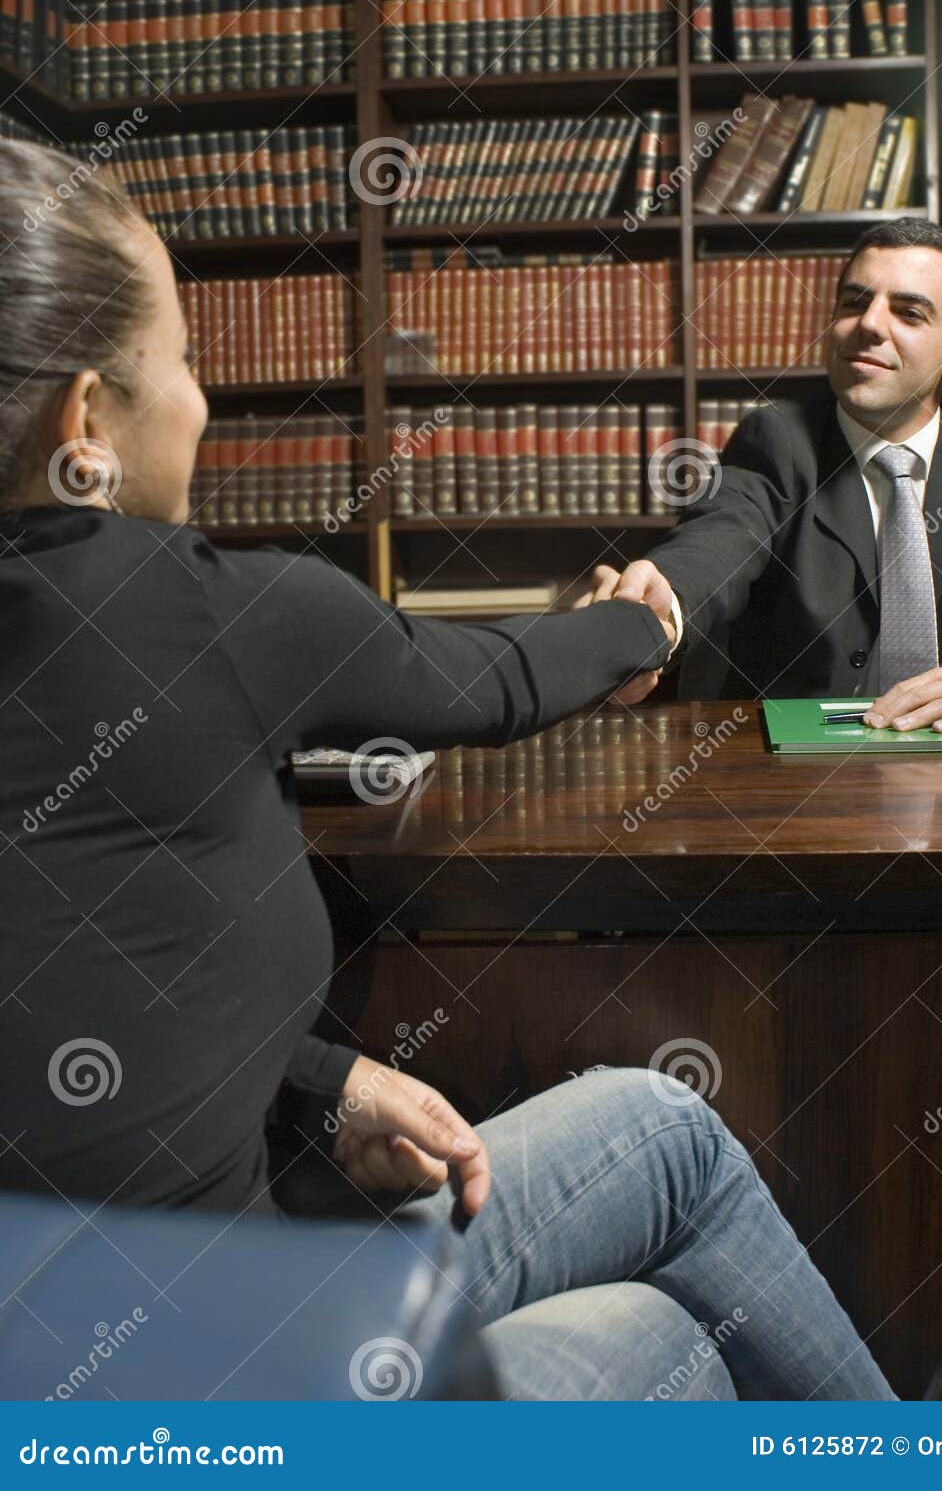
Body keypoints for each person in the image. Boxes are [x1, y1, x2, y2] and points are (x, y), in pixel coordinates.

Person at [0, 140, 893, 1401]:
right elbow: (505, 681)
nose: (203, 403)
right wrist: (643, 623)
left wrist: (321, 1081)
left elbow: (73, 998)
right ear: (86, 420)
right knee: (674, 1340)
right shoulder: (210, 615)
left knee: (660, 1135)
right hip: (219, 1390)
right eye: (185, 361)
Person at [581, 219, 942, 735]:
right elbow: (714, 547)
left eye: (907, 312)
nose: (870, 325)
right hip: (802, 774)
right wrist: (661, 610)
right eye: (854, 303)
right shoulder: (777, 440)